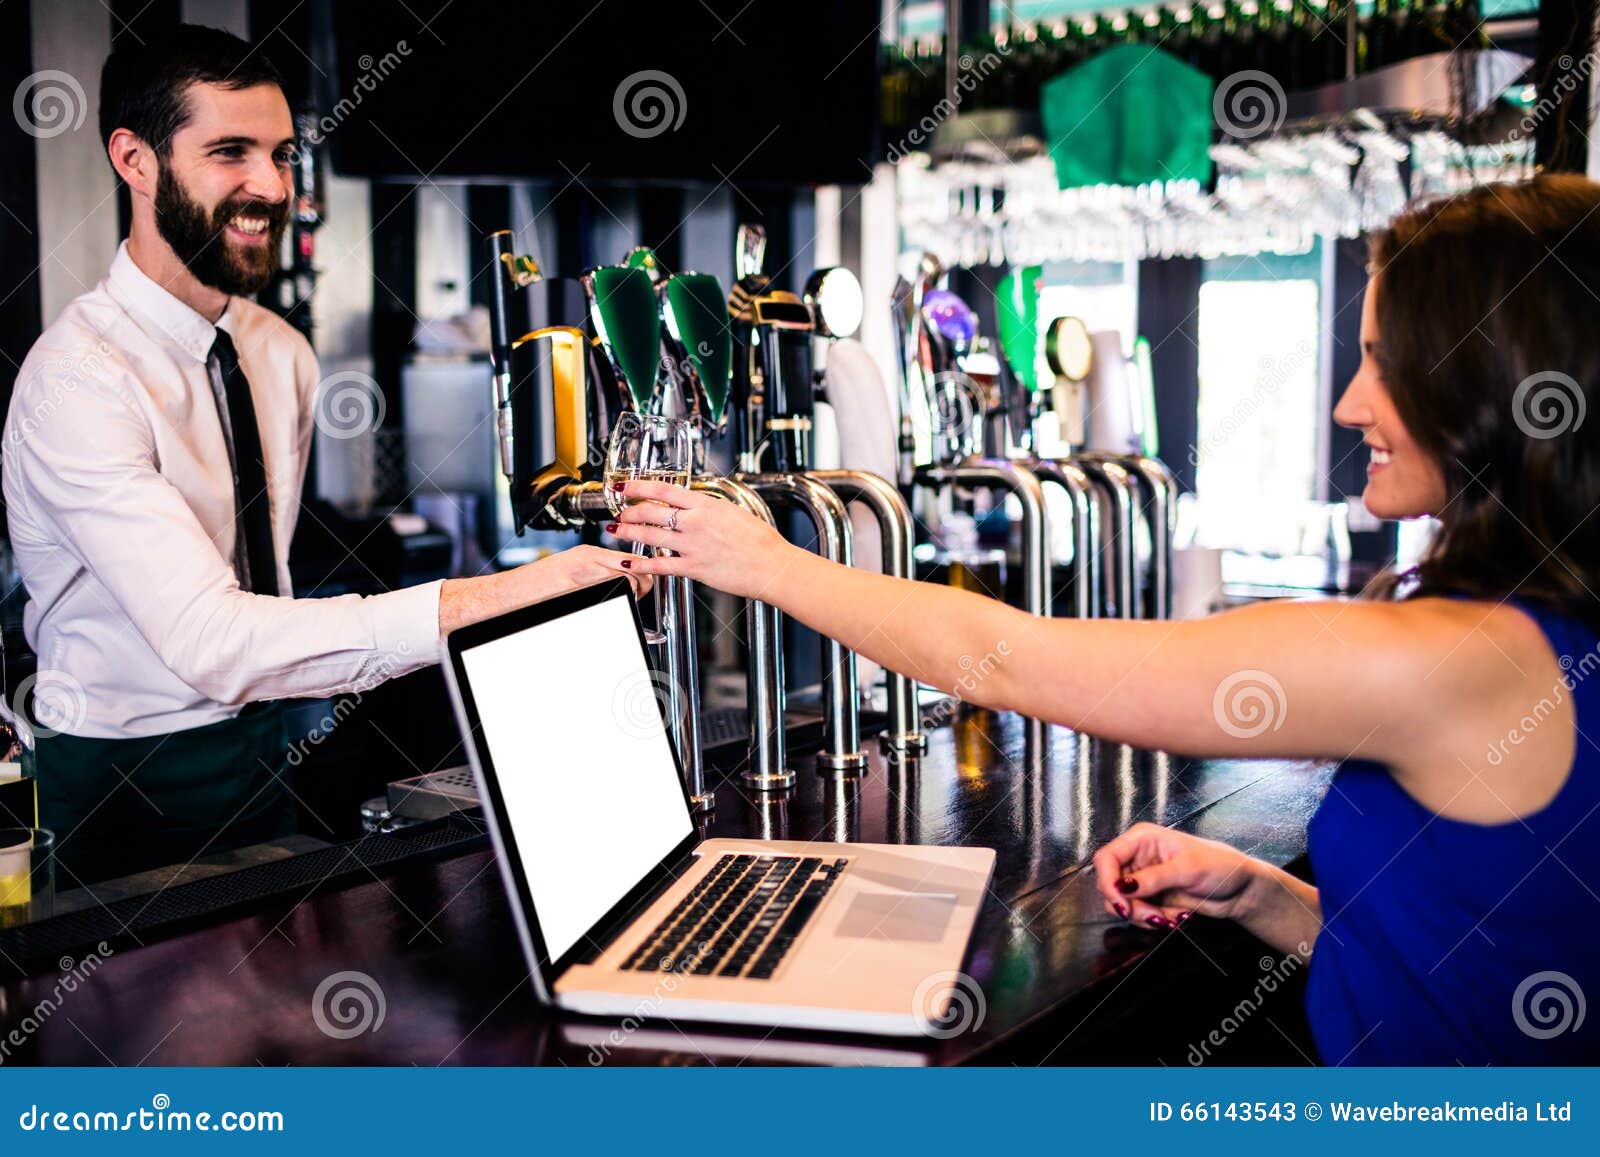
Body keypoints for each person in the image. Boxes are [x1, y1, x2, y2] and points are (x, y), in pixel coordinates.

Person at [606, 174, 1600, 1064]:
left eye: (1383, 362)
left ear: (1481, 385)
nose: (1347, 404)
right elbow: (1453, 966)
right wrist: (1261, 895)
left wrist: (769, 563)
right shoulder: (1537, 630)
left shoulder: (1460, 658)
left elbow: (1002, 659)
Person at [1, 26, 645, 885]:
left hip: (265, 754)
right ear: (136, 160)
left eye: (280, 153)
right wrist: (501, 596)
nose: (271, 186)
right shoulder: (76, 381)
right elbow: (214, 641)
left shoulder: (279, 355)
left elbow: (268, 601)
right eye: (230, 152)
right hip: (122, 784)